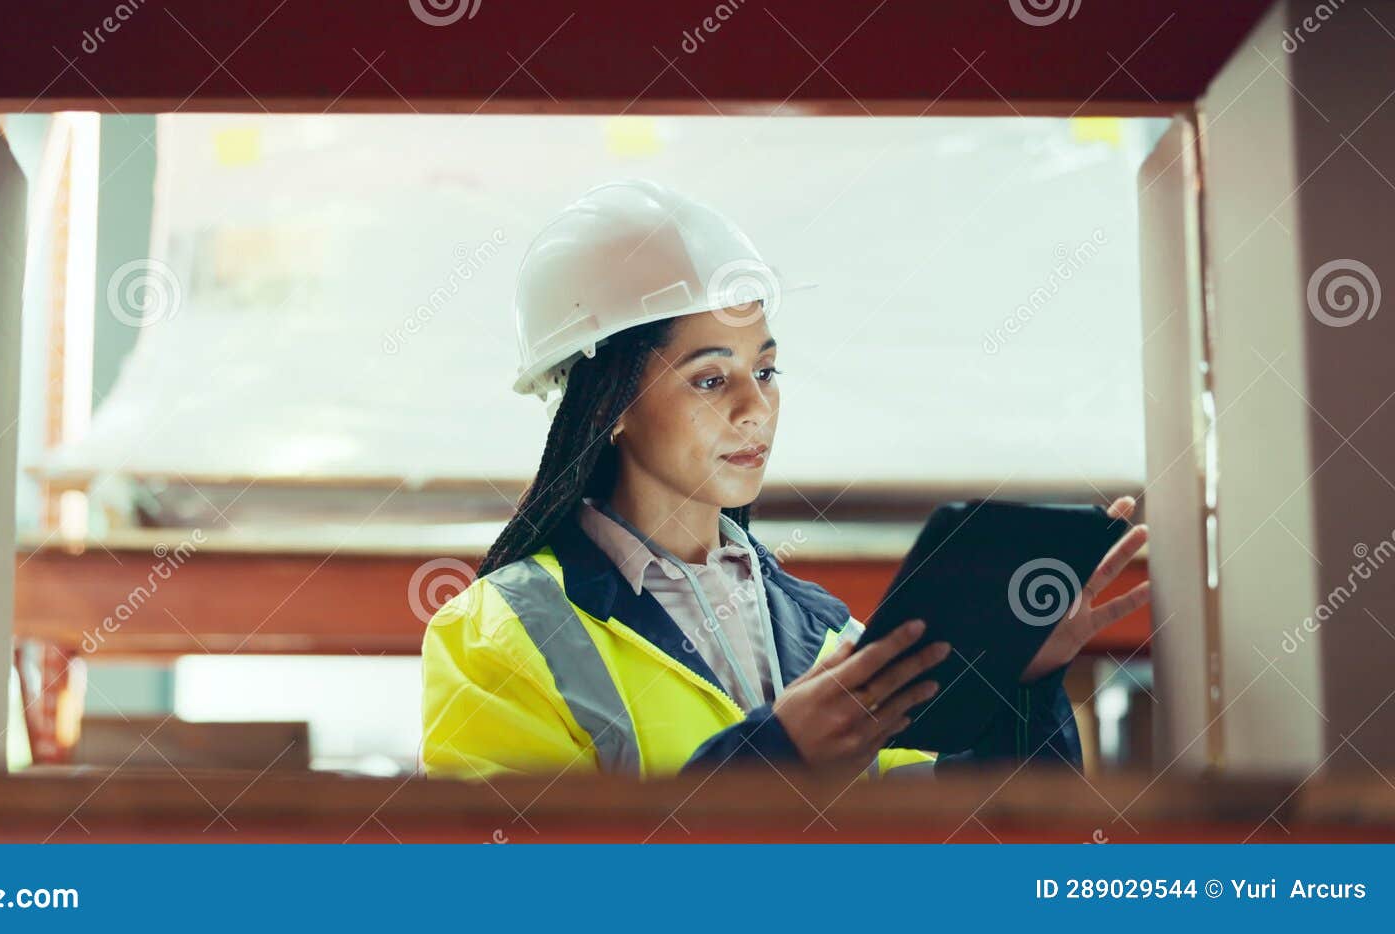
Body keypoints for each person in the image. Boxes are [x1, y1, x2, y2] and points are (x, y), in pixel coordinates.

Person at [420, 179, 1150, 780]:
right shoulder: (496, 634)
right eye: (710, 379)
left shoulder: (828, 631)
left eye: (766, 371)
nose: (755, 408)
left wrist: (1020, 687)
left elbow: (959, 854)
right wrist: (773, 762)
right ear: (607, 405)